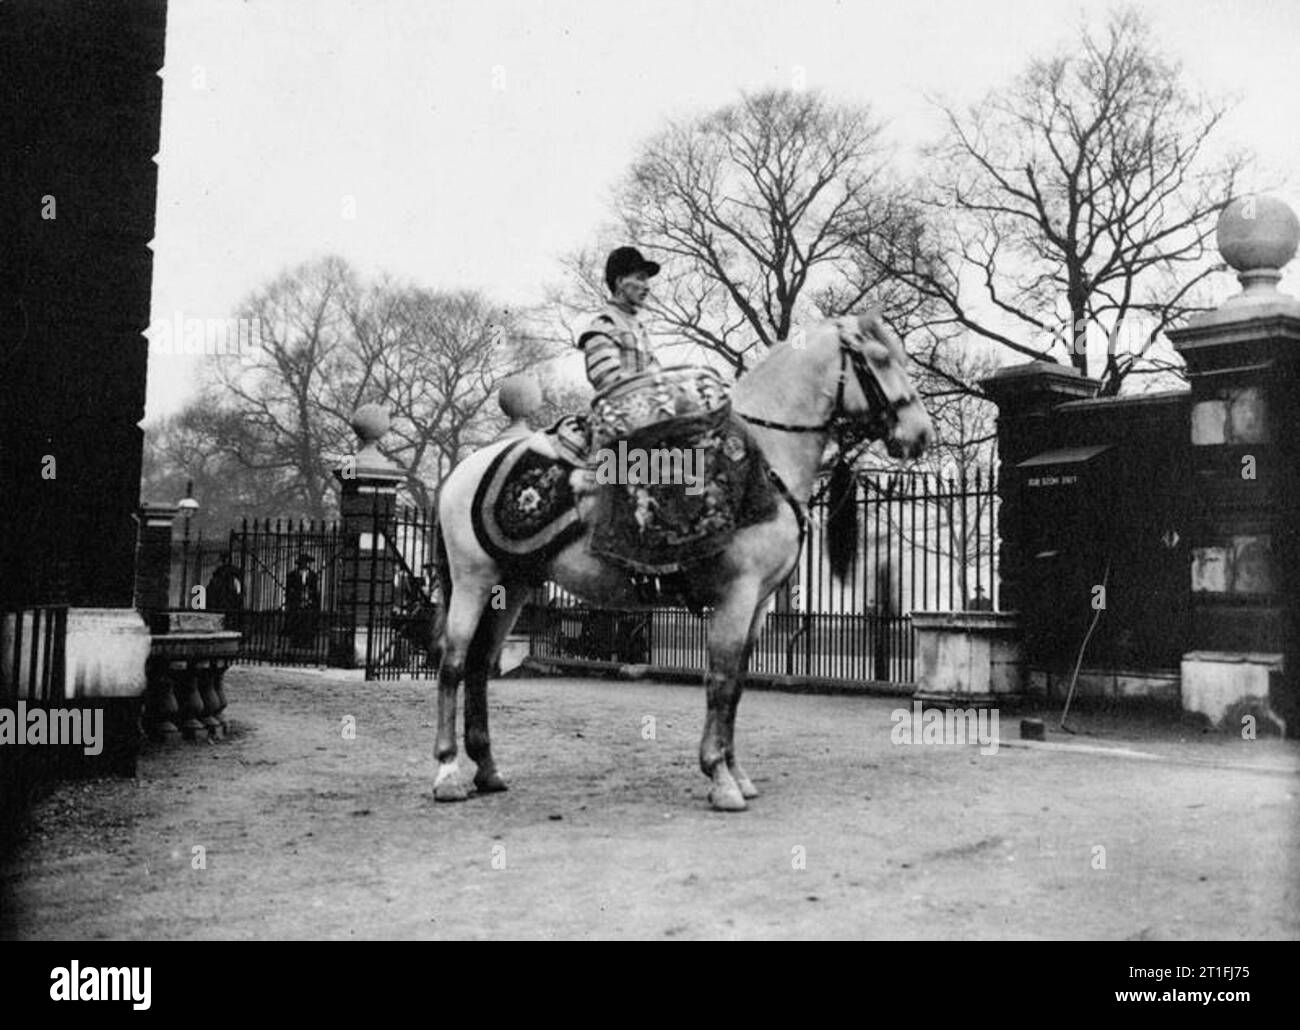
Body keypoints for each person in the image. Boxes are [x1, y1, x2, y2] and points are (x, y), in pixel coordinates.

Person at [577, 246, 662, 393]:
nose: (647, 287)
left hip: (653, 412)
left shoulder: (639, 330)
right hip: (625, 413)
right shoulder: (602, 327)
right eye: (640, 278)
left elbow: (660, 381)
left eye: (647, 280)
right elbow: (611, 388)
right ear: (620, 281)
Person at [284, 552, 320, 649]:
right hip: (296, 603)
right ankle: (295, 643)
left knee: (308, 623)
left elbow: (315, 591)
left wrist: (312, 600)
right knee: (296, 623)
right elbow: (288, 591)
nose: (305, 565)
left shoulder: (313, 576)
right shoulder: (292, 575)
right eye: (303, 562)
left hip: (309, 603)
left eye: (306, 562)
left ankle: (307, 643)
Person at [206, 551, 243, 629]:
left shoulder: (219, 574)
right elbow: (238, 590)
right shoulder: (233, 573)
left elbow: (211, 590)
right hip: (229, 600)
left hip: (222, 600)